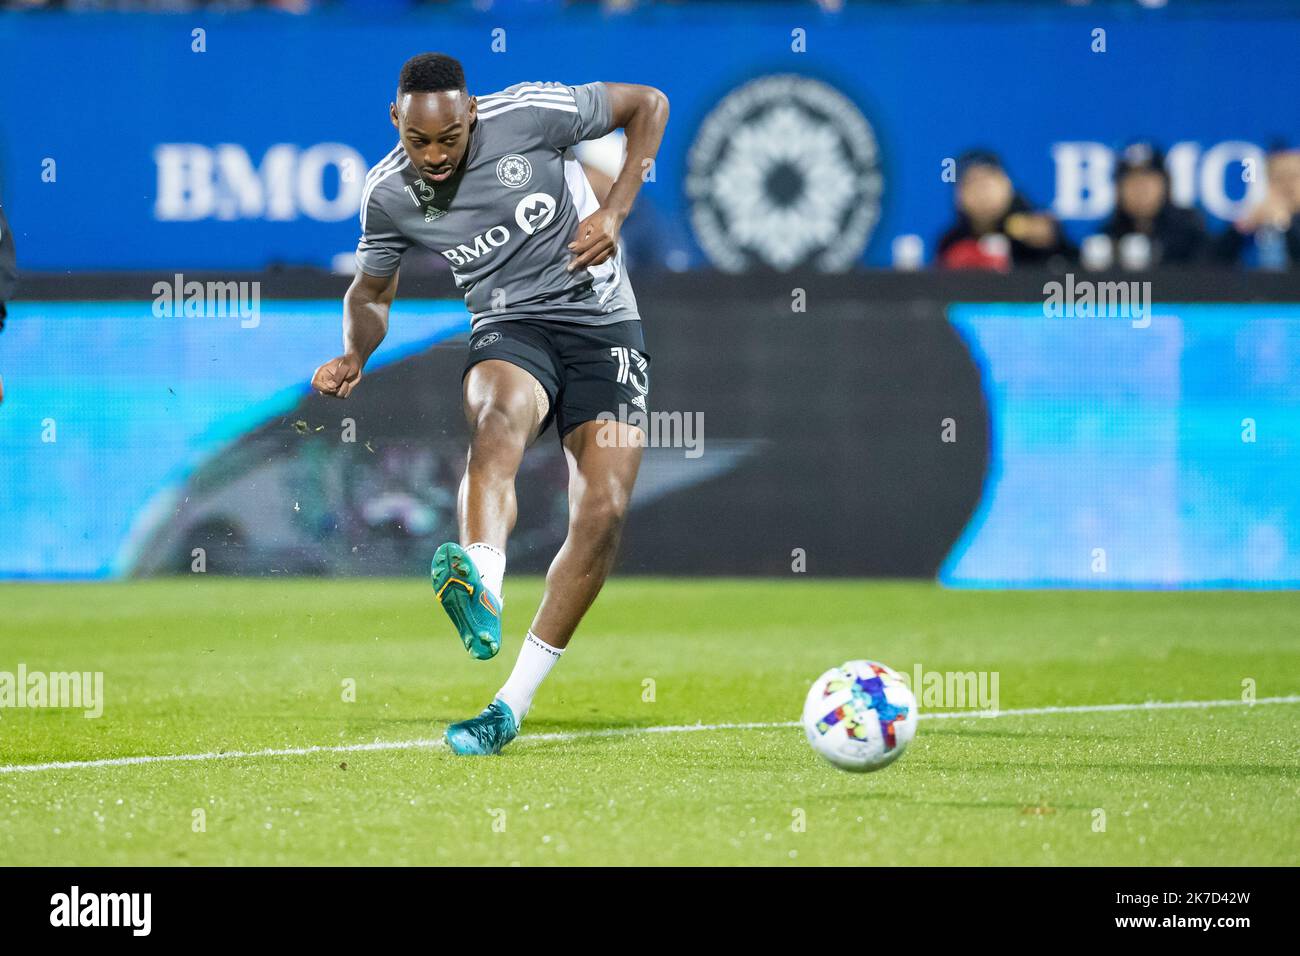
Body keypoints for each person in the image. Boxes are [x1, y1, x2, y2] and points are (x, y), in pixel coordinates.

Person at [311, 53, 668, 755]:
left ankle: (510, 705)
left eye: (449, 138)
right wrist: (356, 352)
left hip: (602, 323)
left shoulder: (530, 113)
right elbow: (372, 293)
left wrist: (616, 212)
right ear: (396, 123)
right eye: (420, 142)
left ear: (471, 112)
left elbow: (647, 104)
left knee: (603, 511)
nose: (436, 157)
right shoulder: (388, 194)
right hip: (509, 322)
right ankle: (485, 583)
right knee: (498, 416)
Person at [937, 150, 1072, 271]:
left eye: (987, 183)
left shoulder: (1038, 228)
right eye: (971, 184)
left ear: (1007, 184)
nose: (981, 193)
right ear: (958, 197)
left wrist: (1049, 242)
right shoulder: (951, 243)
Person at [1099, 142, 1207, 267]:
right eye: (1132, 182)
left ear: (1165, 185)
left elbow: (1215, 271)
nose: (1140, 190)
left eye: (1148, 181)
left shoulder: (1188, 234)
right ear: (1118, 189)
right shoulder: (1109, 237)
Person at [1216, 147, 1300, 270]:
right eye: (1280, 179)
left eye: (1294, 177)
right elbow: (1214, 260)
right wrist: (1241, 228)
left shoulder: (1295, 224)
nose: (1287, 186)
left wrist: (1285, 223)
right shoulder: (1252, 216)